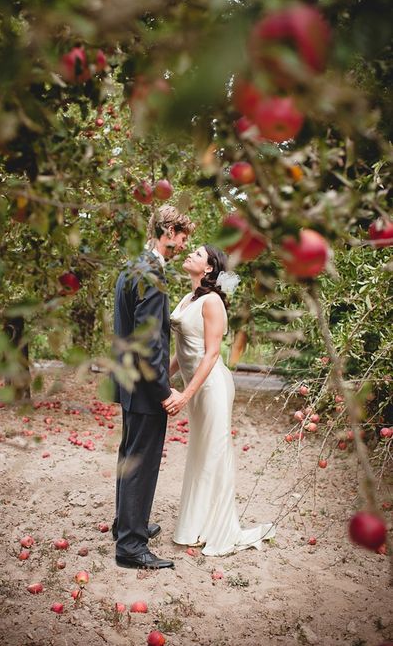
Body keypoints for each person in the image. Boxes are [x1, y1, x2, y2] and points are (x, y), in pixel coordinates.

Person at [163, 244, 275, 556]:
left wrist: (185, 394)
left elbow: (212, 353)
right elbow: (183, 351)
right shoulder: (189, 298)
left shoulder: (212, 302)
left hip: (211, 387)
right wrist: (163, 378)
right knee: (200, 452)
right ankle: (194, 526)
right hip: (195, 386)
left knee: (213, 454)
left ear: (210, 268)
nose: (189, 255)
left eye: (197, 254)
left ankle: (211, 528)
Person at [112, 204, 195, 569]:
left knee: (130, 457)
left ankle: (126, 525)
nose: (183, 244)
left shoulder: (134, 266)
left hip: (130, 383)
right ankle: (131, 546)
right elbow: (148, 342)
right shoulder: (152, 274)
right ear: (168, 231)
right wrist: (165, 392)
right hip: (146, 389)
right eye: (182, 236)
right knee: (142, 463)